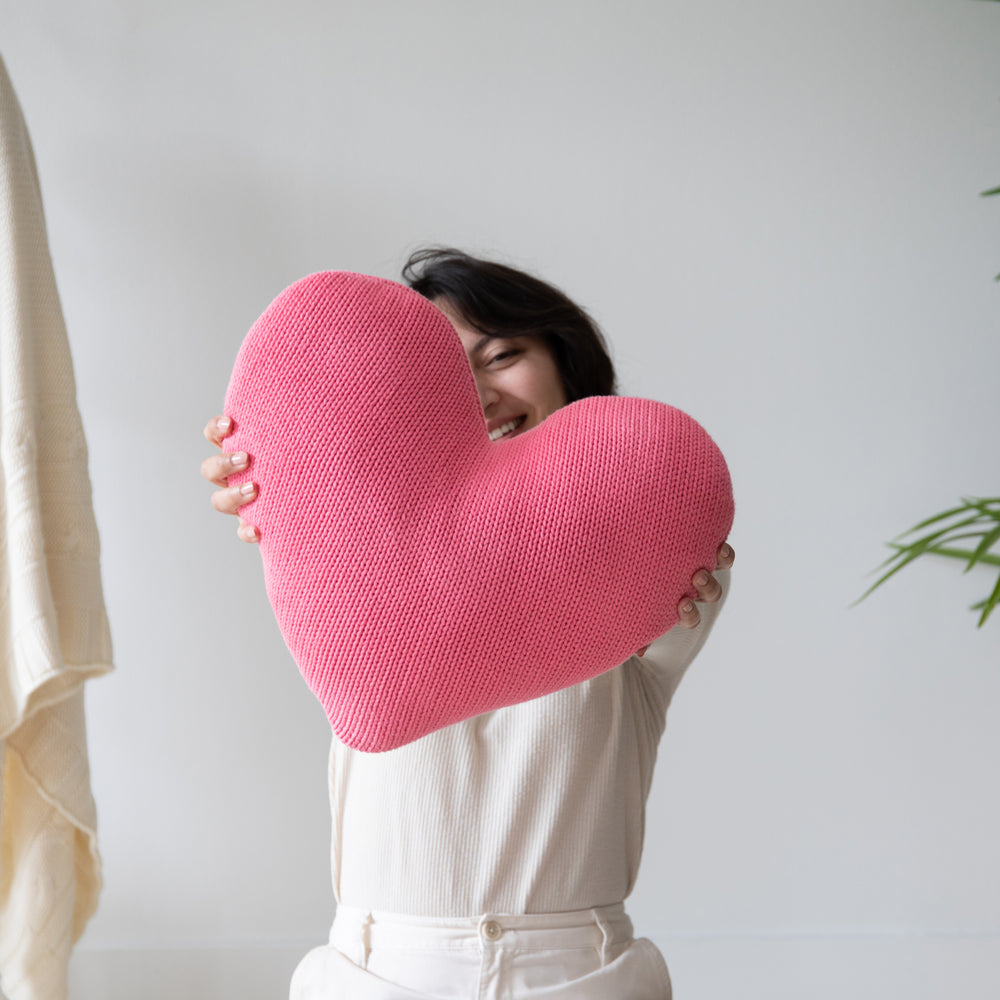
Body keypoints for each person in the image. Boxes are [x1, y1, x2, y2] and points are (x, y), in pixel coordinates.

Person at [201, 248, 733, 999]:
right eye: (447, 369)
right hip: (375, 966)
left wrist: (672, 532)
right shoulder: (359, 537)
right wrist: (274, 484)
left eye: (503, 355)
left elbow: (668, 615)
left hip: (579, 970)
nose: (476, 391)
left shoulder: (643, 543)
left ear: (565, 362)